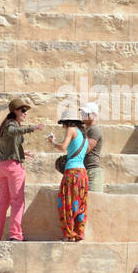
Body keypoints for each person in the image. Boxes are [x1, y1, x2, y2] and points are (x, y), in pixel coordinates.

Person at [0, 97, 39, 242]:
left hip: (2, 166)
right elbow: (13, 132)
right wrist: (33, 128)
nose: (25, 113)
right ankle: (15, 235)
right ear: (14, 111)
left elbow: (4, 147)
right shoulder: (11, 125)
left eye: (26, 111)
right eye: (23, 110)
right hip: (12, 168)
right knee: (17, 201)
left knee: (2, 203)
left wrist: (23, 153)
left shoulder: (6, 125)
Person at [49, 110, 89, 243]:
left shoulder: (71, 129)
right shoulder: (84, 135)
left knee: (66, 203)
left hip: (72, 172)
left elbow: (63, 147)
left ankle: (69, 234)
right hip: (83, 173)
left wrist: (53, 143)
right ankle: (79, 233)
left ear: (66, 122)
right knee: (81, 204)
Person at [80, 103, 104, 194]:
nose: (83, 115)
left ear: (94, 115)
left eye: (86, 113)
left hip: (92, 171)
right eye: (82, 113)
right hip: (84, 170)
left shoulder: (94, 129)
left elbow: (87, 149)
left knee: (94, 201)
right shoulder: (86, 130)